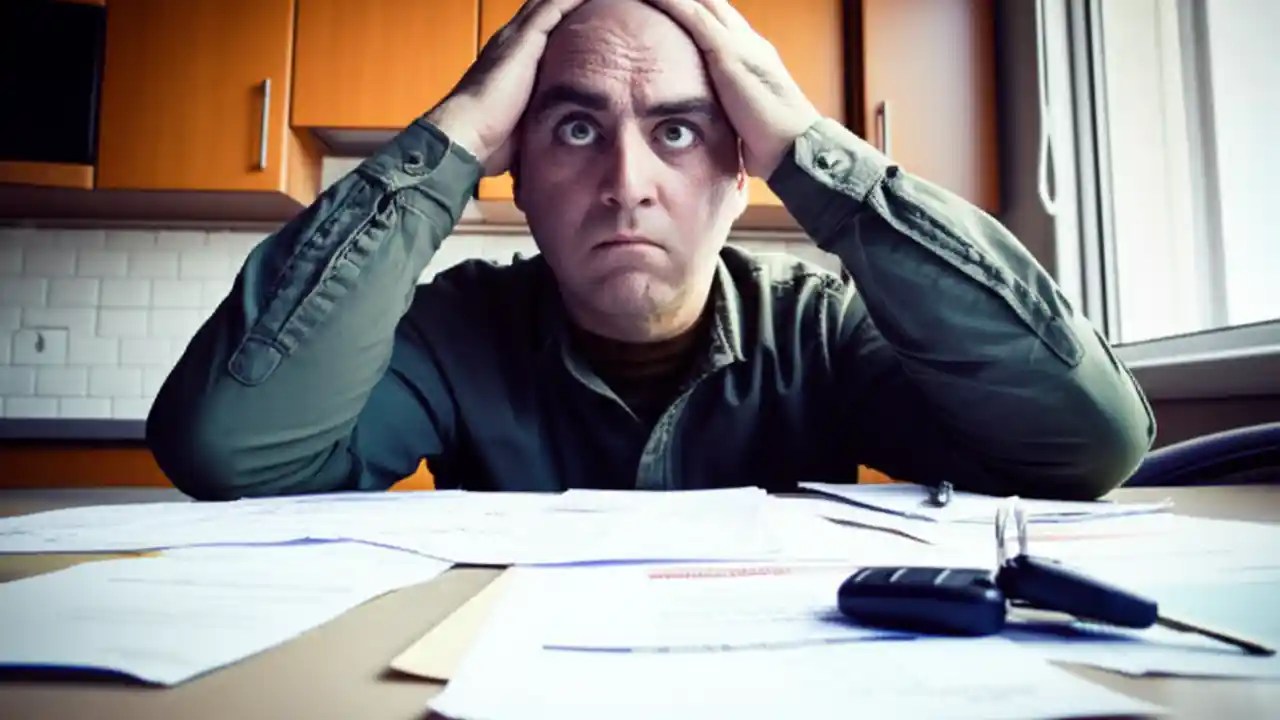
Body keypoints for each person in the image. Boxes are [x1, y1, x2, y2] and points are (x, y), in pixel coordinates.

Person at [147, 0, 1154, 502]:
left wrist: (813, 150)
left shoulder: (820, 332)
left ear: (738, 169)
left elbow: (1084, 443)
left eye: (676, 129)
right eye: (575, 130)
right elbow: (230, 451)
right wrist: (450, 132)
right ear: (513, 174)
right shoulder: (457, 335)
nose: (625, 181)